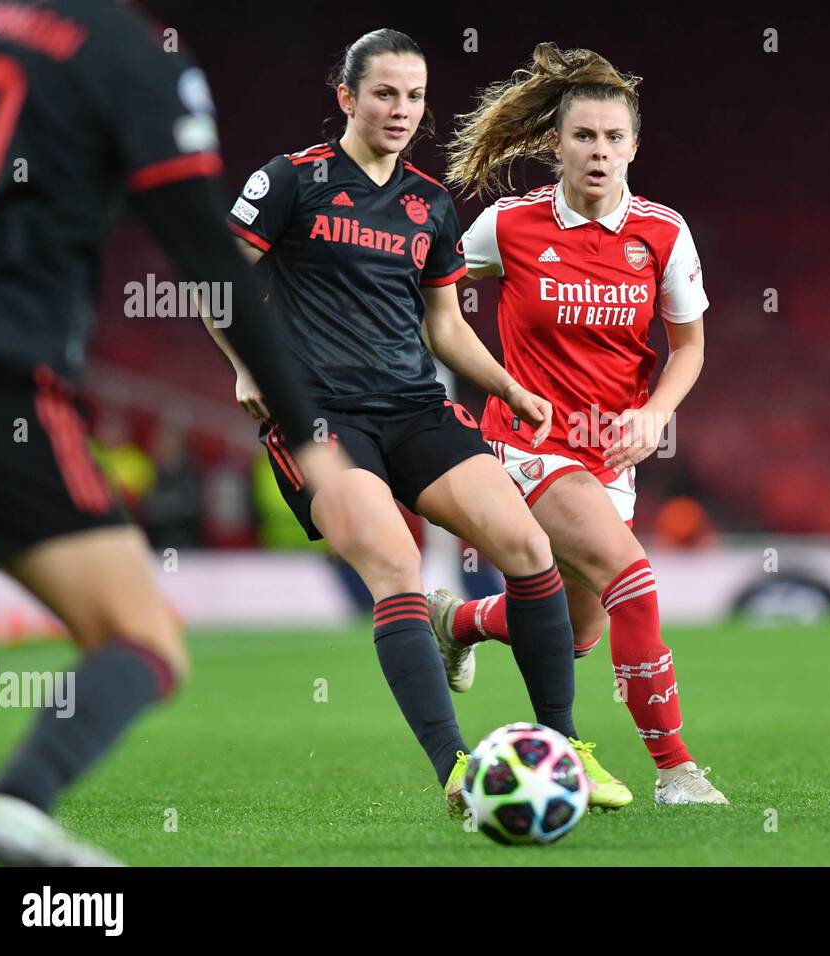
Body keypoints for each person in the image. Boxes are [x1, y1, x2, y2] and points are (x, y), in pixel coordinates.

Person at [210, 29, 631, 810]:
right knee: (399, 569)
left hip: (413, 406)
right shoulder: (292, 181)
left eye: (413, 96)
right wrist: (245, 366)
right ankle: (457, 771)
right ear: (347, 96)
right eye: (384, 94)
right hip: (319, 417)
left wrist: (509, 387)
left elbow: (443, 324)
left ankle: (566, 746)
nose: (402, 110)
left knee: (529, 548)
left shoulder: (428, 204)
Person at [0, 0, 345, 865]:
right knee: (140, 638)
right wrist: (308, 429)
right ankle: (18, 799)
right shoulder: (126, 55)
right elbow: (208, 256)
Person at [434, 43, 727, 805]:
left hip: (609, 455)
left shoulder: (662, 234)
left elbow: (688, 347)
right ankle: (677, 771)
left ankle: (458, 622)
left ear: (634, 145)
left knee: (576, 633)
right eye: (584, 137)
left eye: (613, 138)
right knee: (634, 581)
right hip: (524, 440)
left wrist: (654, 415)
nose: (599, 152)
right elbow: (434, 300)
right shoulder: (509, 226)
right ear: (556, 145)